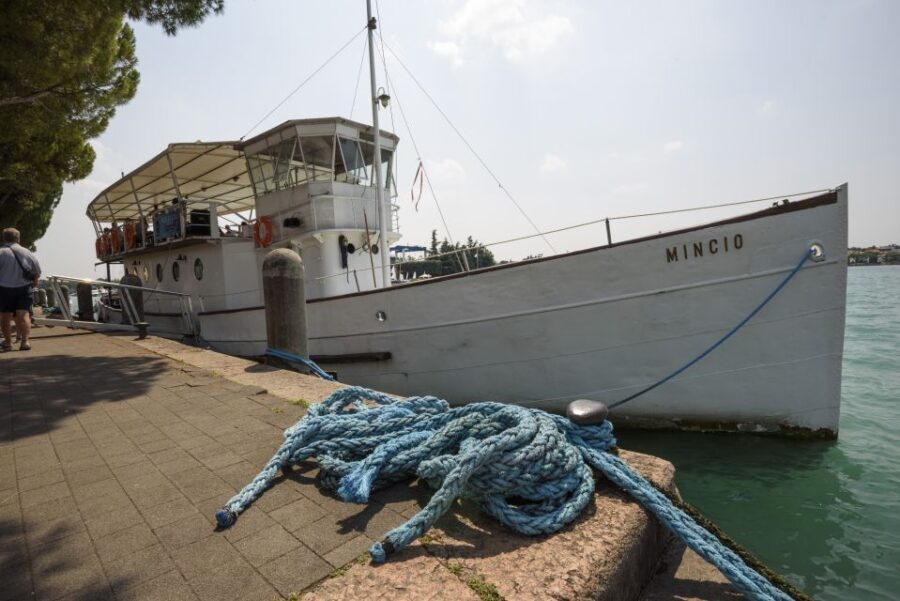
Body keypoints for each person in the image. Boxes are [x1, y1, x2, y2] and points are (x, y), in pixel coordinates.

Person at [0, 228, 41, 351]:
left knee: (5, 317)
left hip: (4, 288)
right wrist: (34, 283)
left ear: (4, 238)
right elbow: (37, 271)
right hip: (24, 288)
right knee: (24, 315)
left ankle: (8, 343)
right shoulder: (27, 252)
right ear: (18, 238)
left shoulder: (1, 252)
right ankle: (25, 342)